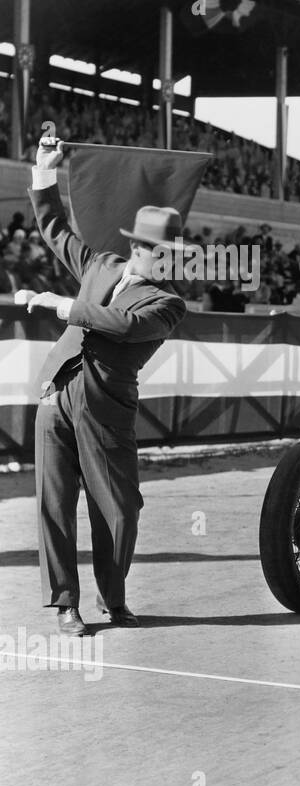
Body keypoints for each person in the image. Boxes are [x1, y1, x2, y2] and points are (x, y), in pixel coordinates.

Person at [24, 137, 188, 635]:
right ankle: (65, 603)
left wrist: (62, 304)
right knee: (53, 504)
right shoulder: (100, 265)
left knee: (119, 511)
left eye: (162, 252)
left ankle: (111, 599)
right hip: (57, 395)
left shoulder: (167, 304)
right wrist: (43, 173)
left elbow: (121, 325)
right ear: (134, 245)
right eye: (146, 246)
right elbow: (55, 232)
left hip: (106, 409)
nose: (152, 256)